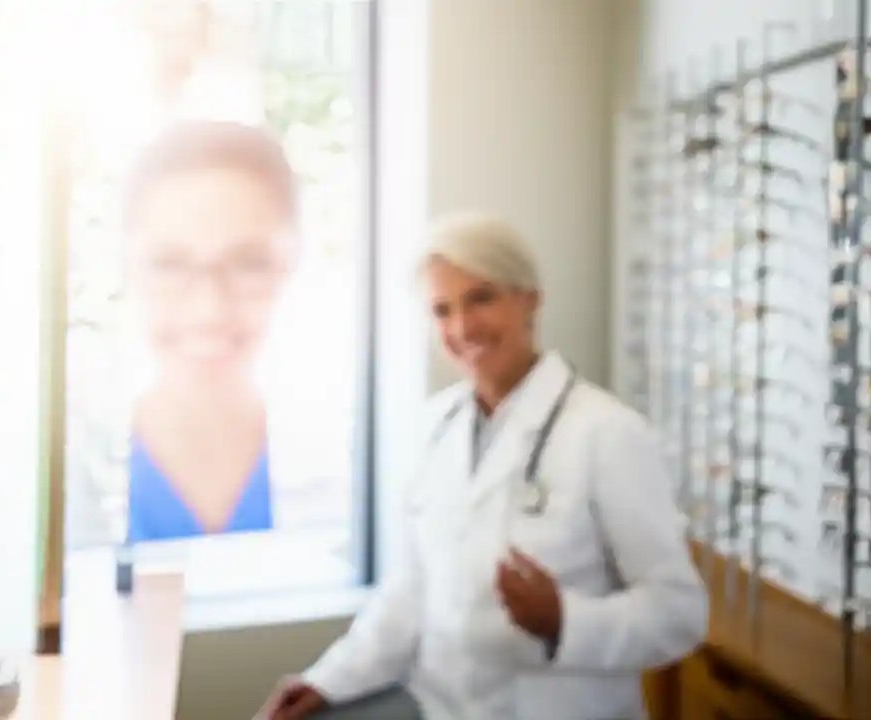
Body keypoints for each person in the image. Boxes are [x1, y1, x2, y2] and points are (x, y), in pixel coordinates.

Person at [257, 213, 708, 720]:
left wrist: (564, 621)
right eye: (442, 310)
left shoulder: (608, 433)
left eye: (481, 299)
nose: (462, 327)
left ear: (530, 298)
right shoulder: (434, 427)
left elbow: (680, 614)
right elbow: (410, 593)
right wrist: (326, 680)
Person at [116, 120, 326, 543]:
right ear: (125, 263)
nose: (209, 309)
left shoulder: (356, 463)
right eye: (169, 264)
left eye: (249, 263)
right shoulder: (52, 468)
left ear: (292, 261)